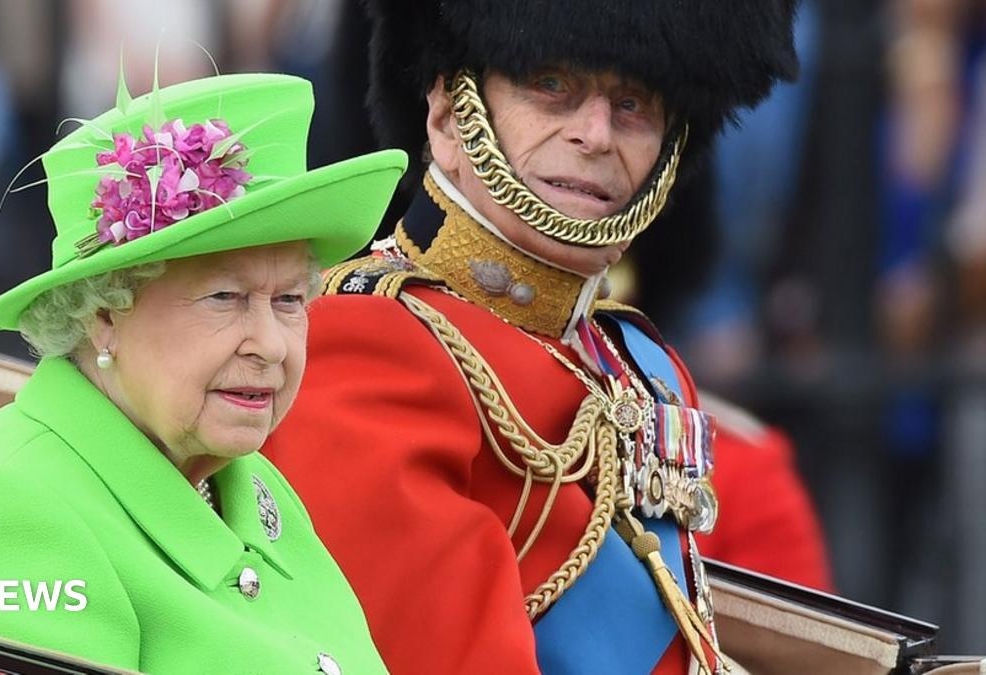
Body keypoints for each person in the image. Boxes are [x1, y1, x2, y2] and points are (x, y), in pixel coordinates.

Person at [262, 1, 799, 673]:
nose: (597, 134)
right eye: (551, 86)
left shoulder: (637, 364)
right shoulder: (370, 345)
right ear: (448, 116)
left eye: (632, 103)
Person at [0, 71, 406, 674]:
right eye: (224, 298)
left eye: (289, 301)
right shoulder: (13, 509)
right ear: (104, 314)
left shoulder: (252, 484)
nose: (270, 344)